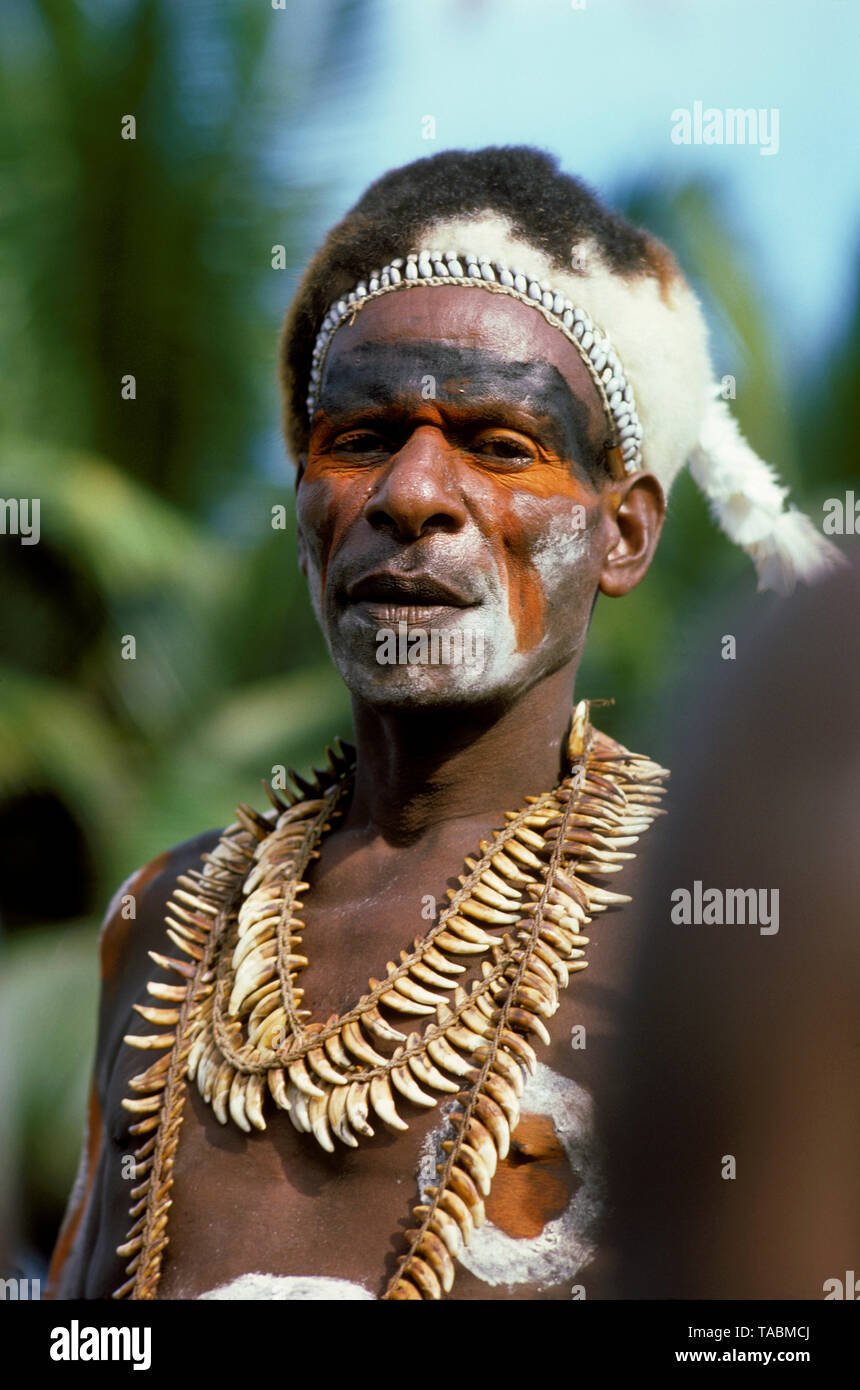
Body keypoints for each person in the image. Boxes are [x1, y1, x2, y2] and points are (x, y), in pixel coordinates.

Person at [47, 147, 841, 1301]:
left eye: (498, 443)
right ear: (307, 503)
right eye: (361, 437)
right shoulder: (161, 924)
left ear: (622, 535)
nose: (412, 493)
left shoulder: (717, 924)